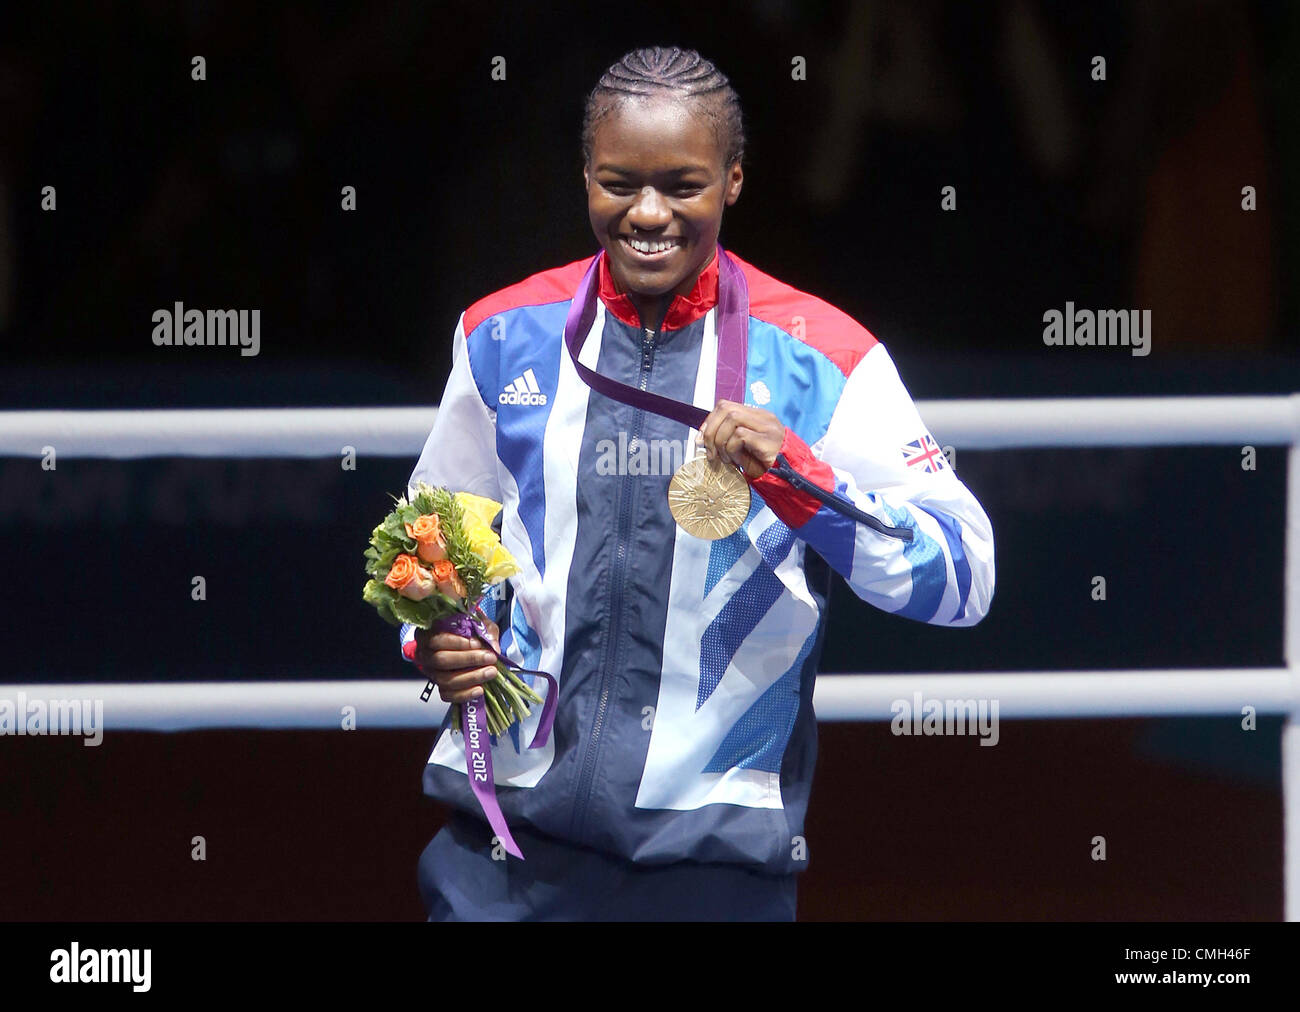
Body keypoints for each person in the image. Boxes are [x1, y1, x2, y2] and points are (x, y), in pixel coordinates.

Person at [401, 45, 995, 921]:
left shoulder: (825, 360)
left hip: (711, 871)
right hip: (500, 856)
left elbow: (965, 578)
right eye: (618, 183)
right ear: (585, 177)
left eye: (682, 185)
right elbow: (429, 538)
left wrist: (800, 479)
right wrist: (436, 643)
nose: (648, 213)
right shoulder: (501, 334)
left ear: (735, 180)